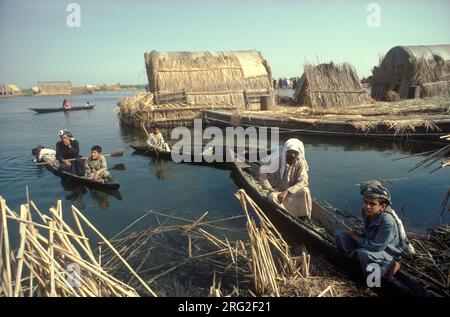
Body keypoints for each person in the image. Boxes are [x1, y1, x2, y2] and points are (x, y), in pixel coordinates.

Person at [334, 180, 415, 279]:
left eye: (372, 204)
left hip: (386, 252)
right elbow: (359, 230)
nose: (367, 206)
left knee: (363, 254)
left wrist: (356, 238)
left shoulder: (387, 221)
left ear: (382, 206)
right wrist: (356, 235)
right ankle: (357, 261)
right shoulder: (366, 211)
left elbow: (377, 247)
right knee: (339, 234)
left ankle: (378, 276)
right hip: (370, 242)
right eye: (366, 202)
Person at [259, 138, 312, 219]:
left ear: (298, 154)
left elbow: (302, 181)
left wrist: (287, 191)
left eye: (295, 153)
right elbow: (262, 172)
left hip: (292, 191)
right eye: (290, 152)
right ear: (286, 152)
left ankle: (302, 216)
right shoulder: (276, 161)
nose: (292, 155)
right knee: (271, 197)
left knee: (305, 191)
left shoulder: (300, 163)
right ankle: (287, 214)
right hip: (277, 191)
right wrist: (270, 188)